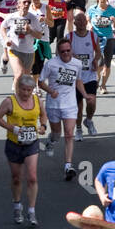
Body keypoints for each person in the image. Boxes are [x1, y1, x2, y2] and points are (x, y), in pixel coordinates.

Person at [0, 74, 47, 226]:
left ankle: (31, 211)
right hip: (14, 144)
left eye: (29, 90)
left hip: (32, 144)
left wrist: (43, 126)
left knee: (32, 177)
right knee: (17, 177)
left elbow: (43, 115)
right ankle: (17, 205)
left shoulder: (37, 100)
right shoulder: (9, 102)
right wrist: (12, 128)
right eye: (23, 89)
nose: (26, 93)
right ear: (18, 88)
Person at [38, 37, 88, 181]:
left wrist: (84, 94)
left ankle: (68, 165)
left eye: (68, 50)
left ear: (71, 50)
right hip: (53, 104)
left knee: (69, 134)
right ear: (58, 52)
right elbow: (40, 82)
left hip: (70, 105)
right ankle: (51, 142)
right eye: (63, 51)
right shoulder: (51, 64)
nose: (66, 53)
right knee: (56, 133)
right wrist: (50, 91)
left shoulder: (77, 64)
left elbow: (78, 80)